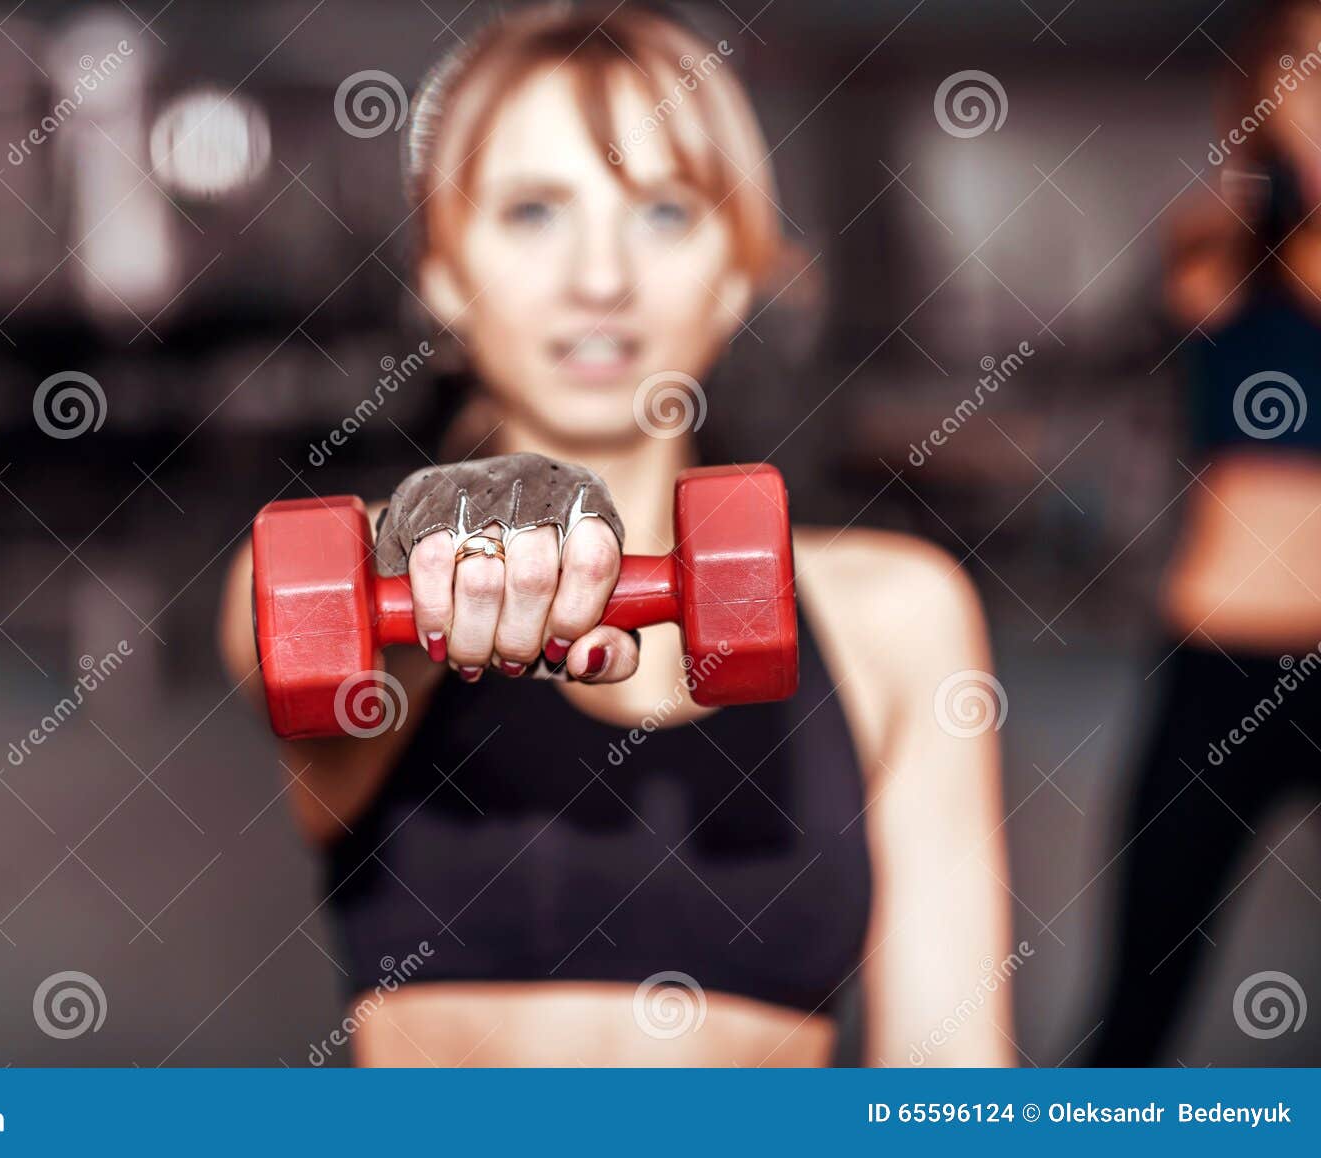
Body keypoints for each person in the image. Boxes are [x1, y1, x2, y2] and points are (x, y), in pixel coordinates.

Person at [222, 2, 1013, 1066]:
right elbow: (298, 636)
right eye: (533, 211)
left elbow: (950, 1081)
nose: (600, 278)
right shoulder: (353, 577)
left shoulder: (899, 614)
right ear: (442, 273)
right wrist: (444, 552)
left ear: (737, 273)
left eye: (664, 213)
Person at [1089, 0, 1321, 1064]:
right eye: (1304, 68)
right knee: (1137, 1006)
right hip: (1217, 664)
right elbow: (1186, 294)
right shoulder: (1217, 246)